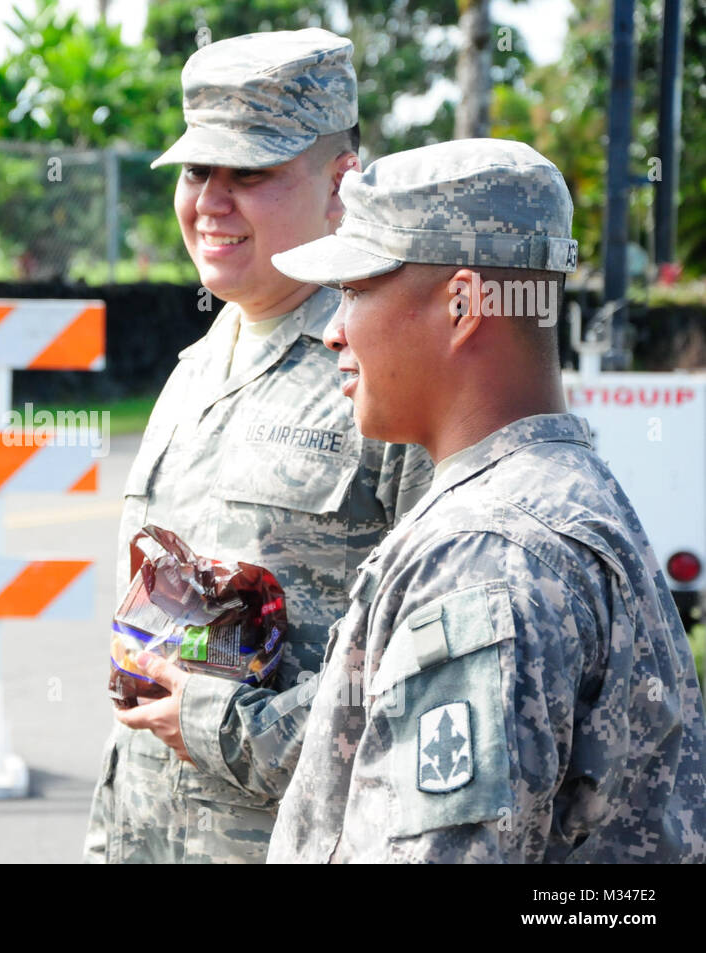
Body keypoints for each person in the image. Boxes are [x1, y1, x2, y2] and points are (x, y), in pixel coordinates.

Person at [264, 139, 706, 862]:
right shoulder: (555, 494)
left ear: (465, 304)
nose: (330, 329)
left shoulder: (485, 552)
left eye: (353, 289)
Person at [82, 29, 433, 864]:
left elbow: (425, 665)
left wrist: (229, 728)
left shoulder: (385, 368)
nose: (210, 200)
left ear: (341, 182)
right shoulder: (194, 370)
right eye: (198, 170)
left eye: (251, 173)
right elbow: (146, 654)